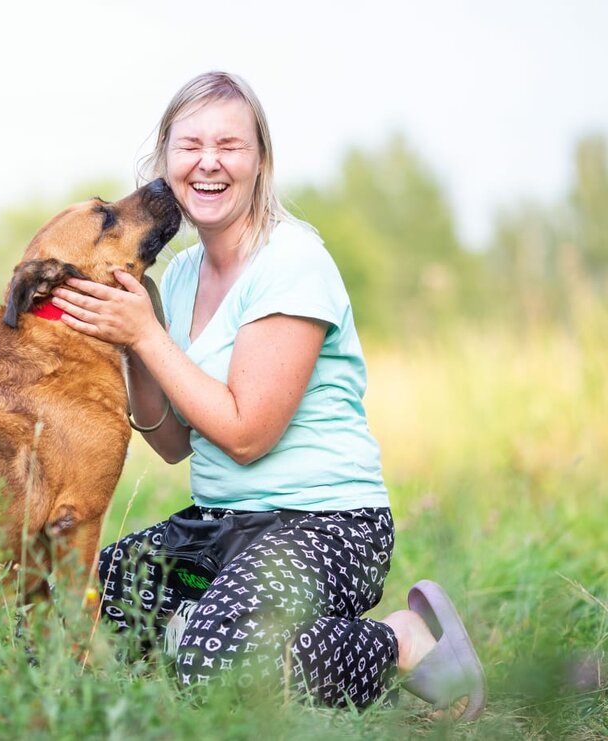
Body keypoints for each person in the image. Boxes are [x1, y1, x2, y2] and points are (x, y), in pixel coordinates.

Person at [50, 71, 486, 719]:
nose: (208, 161)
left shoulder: (293, 262)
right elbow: (172, 444)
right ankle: (208, 619)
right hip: (217, 531)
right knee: (58, 617)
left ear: (260, 162)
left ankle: (404, 640)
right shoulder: (182, 273)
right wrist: (136, 340)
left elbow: (248, 434)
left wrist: (146, 332)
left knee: (216, 665)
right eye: (189, 144)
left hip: (327, 527)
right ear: (165, 160)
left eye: (230, 144)